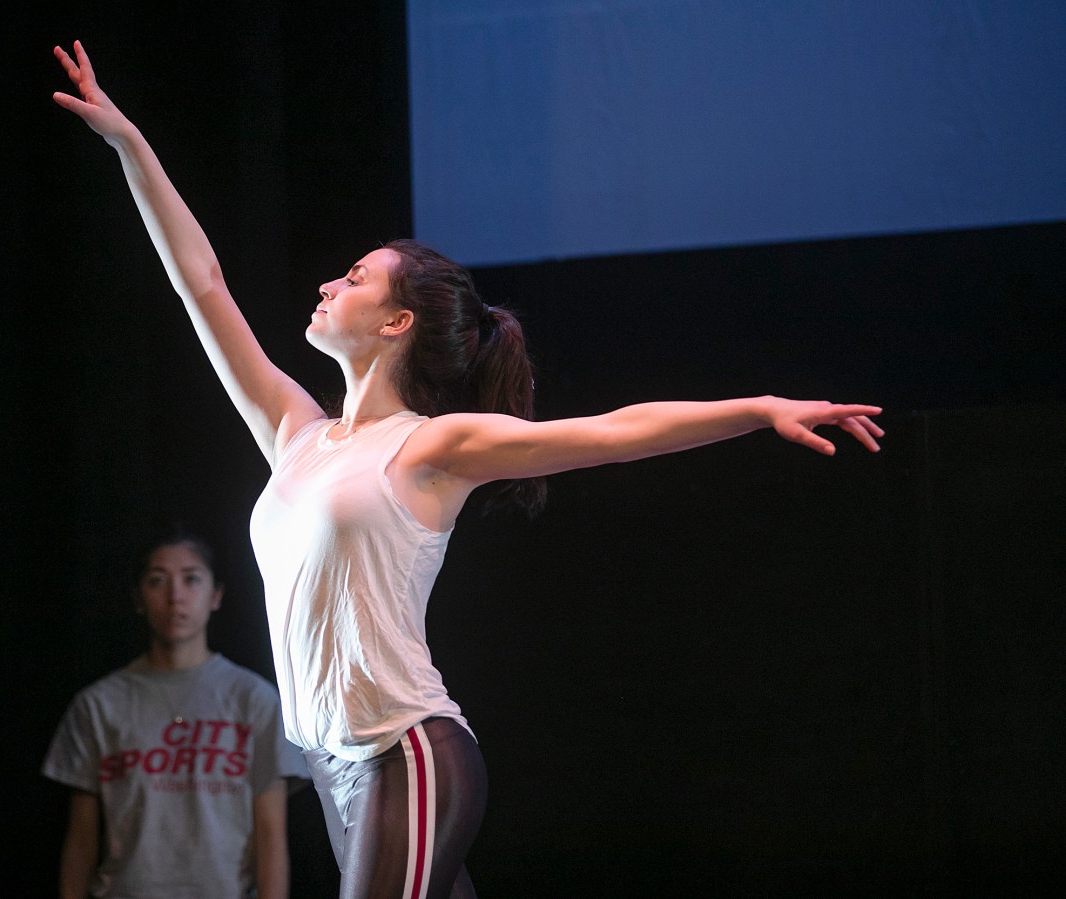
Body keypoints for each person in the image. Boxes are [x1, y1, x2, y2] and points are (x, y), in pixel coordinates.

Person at [51, 40, 885, 899]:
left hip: (406, 753)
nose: (329, 285)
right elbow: (204, 286)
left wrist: (758, 408)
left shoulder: (431, 447)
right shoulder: (295, 433)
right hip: (338, 771)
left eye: (355, 277)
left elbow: (610, 432)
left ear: (396, 323)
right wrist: (129, 143)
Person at [42, 529, 308, 899]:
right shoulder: (98, 705)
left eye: (191, 579)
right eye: (157, 580)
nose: (175, 596)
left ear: (215, 595)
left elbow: (271, 837)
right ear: (138, 599)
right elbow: (80, 841)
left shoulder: (255, 701)